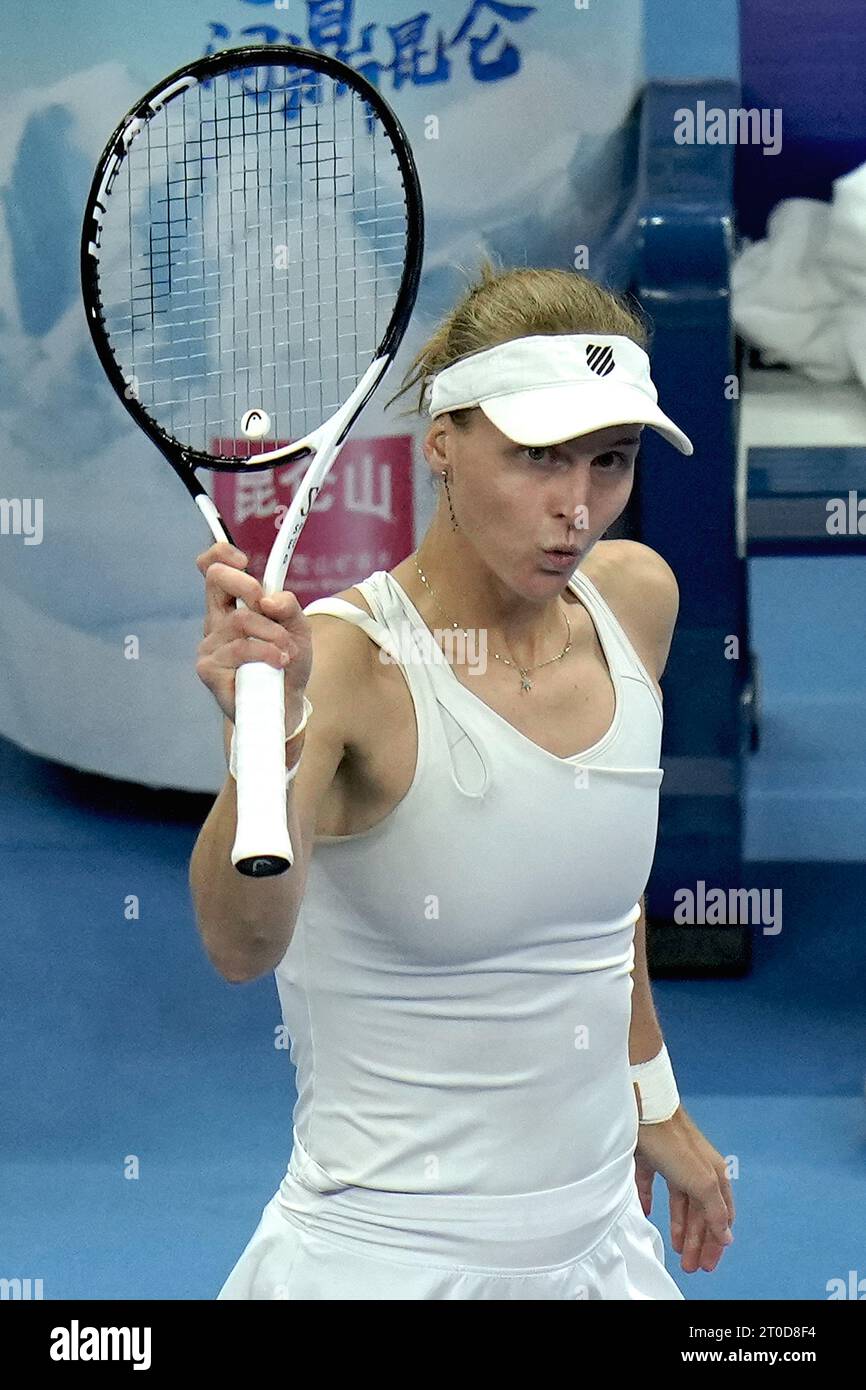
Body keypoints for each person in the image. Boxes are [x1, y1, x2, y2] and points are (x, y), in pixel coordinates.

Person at [190, 260, 736, 1300]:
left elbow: (601, 895)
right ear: (441, 443)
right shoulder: (344, 667)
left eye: (610, 461)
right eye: (538, 457)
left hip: (603, 1250)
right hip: (378, 1265)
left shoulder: (634, 602)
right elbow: (238, 945)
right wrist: (266, 739)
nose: (577, 508)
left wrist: (651, 1093)